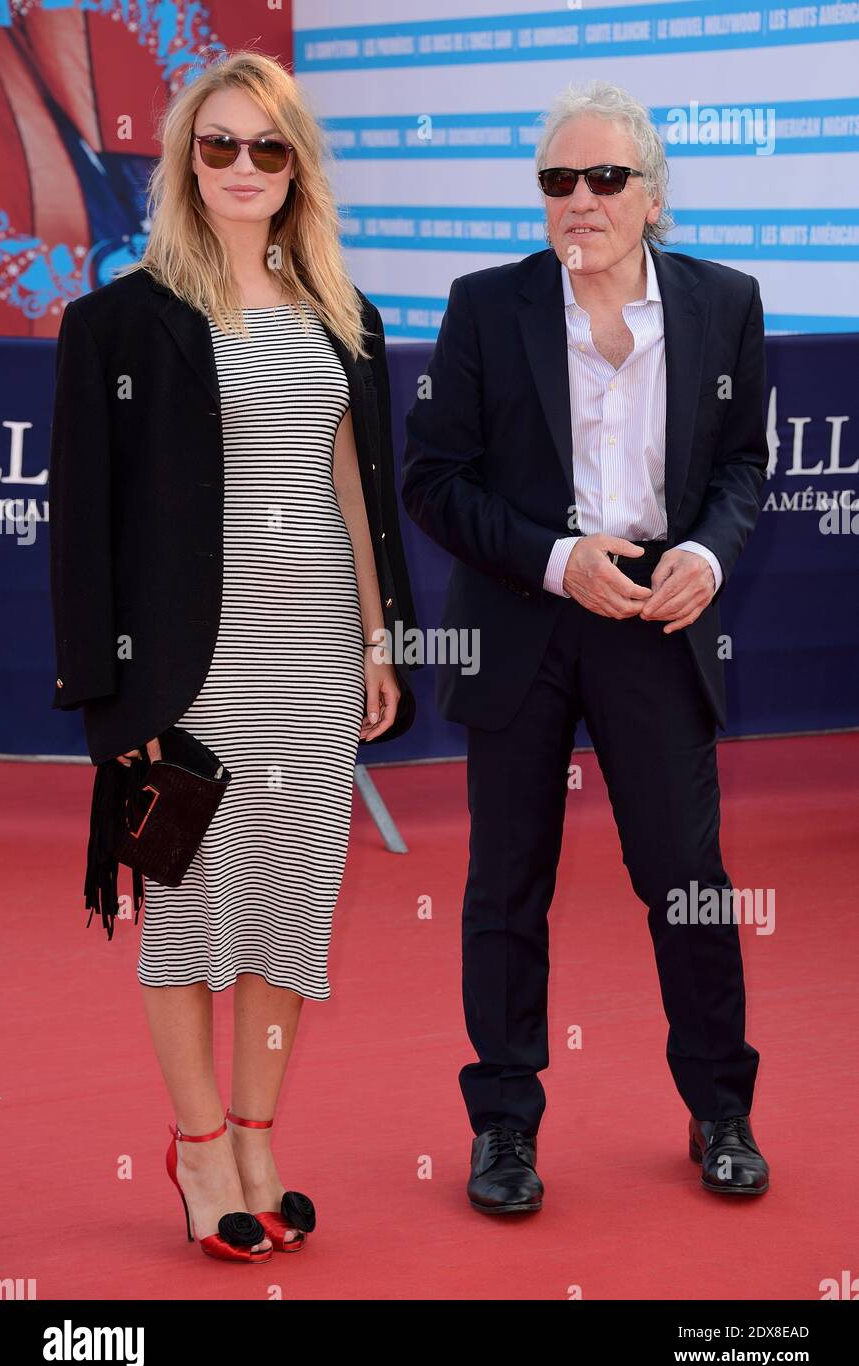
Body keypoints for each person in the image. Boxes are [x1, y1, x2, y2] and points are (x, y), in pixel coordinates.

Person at [48, 51, 418, 1263]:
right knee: (190, 913)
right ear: (183, 161)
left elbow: (355, 486)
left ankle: (257, 1136)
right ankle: (198, 1148)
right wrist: (115, 696)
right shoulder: (119, 318)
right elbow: (84, 527)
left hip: (311, 651)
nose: (244, 168)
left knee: (284, 915)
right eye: (219, 146)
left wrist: (376, 634)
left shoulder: (343, 315)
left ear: (296, 165)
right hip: (187, 666)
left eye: (269, 147)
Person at [402, 78, 770, 1215]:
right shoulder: (484, 306)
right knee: (504, 886)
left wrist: (702, 558)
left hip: (656, 622)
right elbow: (432, 480)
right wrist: (560, 560)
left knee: (687, 884)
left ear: (651, 197)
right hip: (522, 620)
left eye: (603, 179)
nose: (578, 201)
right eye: (557, 182)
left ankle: (720, 1111)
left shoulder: (724, 303)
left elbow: (740, 469)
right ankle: (502, 1126)